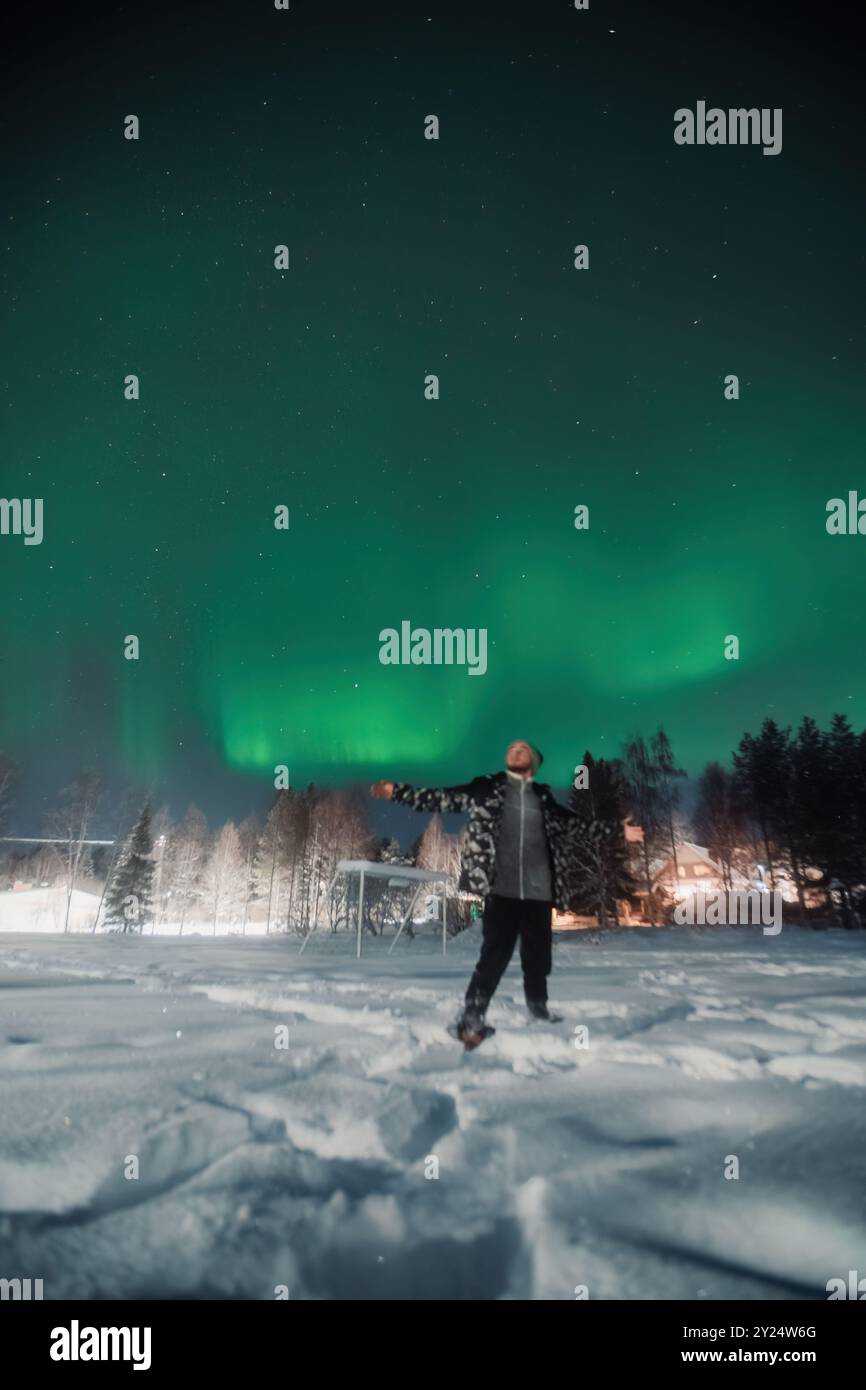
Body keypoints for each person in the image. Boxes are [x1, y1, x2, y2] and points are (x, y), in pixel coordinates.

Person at [370, 740, 581, 1042]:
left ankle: (538, 1008)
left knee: (538, 955)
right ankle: (472, 1017)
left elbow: (574, 825)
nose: (516, 749)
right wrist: (398, 792)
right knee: (494, 954)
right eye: (512, 748)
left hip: (538, 890)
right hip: (502, 888)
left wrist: (617, 831)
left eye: (524, 749)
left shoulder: (543, 798)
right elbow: (441, 798)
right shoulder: (487, 790)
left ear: (533, 762)